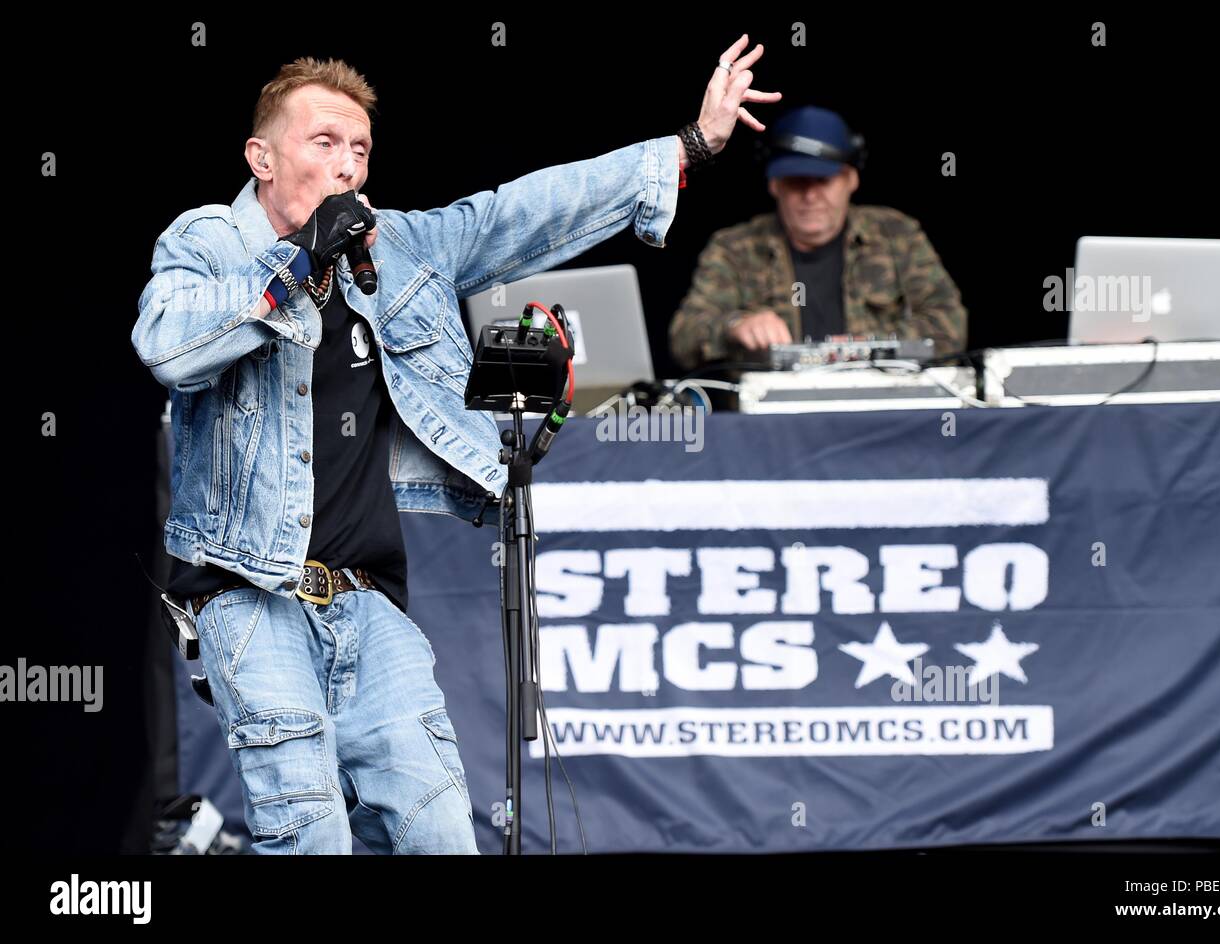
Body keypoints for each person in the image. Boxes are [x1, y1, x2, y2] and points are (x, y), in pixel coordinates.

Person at [132, 44, 780, 854]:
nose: (347, 165)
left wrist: (689, 146)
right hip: (248, 596)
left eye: (360, 149)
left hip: (366, 602)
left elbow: (522, 211)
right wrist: (298, 264)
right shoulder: (207, 243)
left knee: (439, 829)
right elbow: (167, 346)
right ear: (261, 157)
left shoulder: (395, 248)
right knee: (312, 836)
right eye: (323, 142)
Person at [669, 105, 966, 371]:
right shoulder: (733, 248)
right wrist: (734, 326)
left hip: (880, 411)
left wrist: (866, 349)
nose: (810, 196)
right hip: (774, 424)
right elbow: (684, 337)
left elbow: (950, 323)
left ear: (851, 179)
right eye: (796, 181)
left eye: (823, 181)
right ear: (774, 185)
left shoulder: (897, 235)